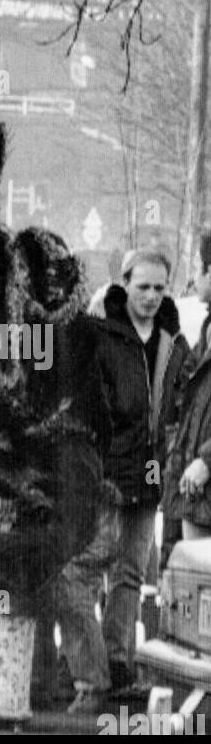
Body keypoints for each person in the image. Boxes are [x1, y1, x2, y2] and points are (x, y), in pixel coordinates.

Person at [62, 247, 188, 712]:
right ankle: (88, 674)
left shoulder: (175, 342)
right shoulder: (98, 334)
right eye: (143, 287)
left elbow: (179, 409)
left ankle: (118, 668)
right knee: (78, 574)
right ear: (124, 283)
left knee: (131, 576)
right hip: (105, 474)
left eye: (159, 288)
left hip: (150, 474)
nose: (152, 297)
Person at [163, 232, 211, 543]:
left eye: (197, 267)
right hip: (194, 495)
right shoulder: (205, 331)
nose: (193, 278)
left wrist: (207, 461)